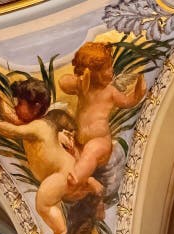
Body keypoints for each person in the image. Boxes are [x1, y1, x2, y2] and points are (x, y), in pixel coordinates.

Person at [0, 79, 103, 234]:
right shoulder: (35, 123)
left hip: (60, 172)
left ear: (36, 107)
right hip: (64, 170)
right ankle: (87, 182)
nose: (16, 107)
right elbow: (11, 119)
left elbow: (13, 130)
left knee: (43, 202)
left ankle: (60, 230)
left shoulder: (38, 127)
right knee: (68, 193)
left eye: (20, 103)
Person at [58, 41, 146, 189]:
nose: (111, 71)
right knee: (67, 150)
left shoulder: (109, 92)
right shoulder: (83, 88)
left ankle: (76, 177)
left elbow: (127, 101)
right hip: (79, 142)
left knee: (91, 151)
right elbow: (62, 82)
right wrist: (80, 81)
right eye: (107, 68)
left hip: (101, 142)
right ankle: (85, 181)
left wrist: (137, 92)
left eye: (110, 66)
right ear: (91, 73)